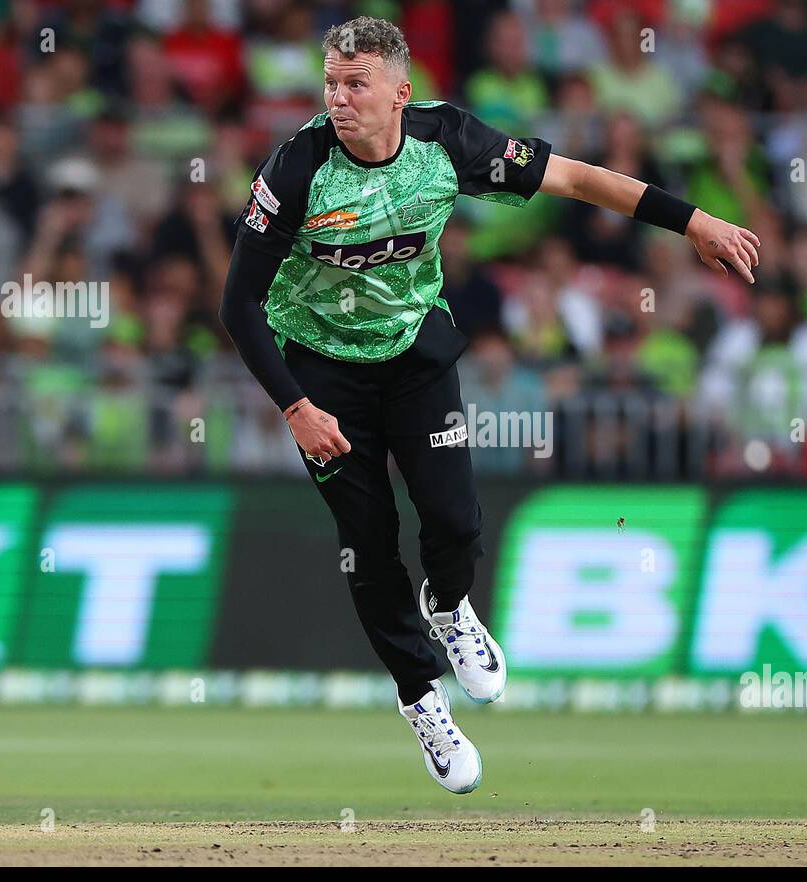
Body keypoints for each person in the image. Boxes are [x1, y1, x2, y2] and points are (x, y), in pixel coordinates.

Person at [217, 15, 759, 794]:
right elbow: (239, 306)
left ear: (400, 93)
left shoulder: (450, 142)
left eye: (356, 84)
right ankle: (421, 701)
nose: (339, 98)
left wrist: (695, 220)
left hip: (413, 356)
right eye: (331, 83)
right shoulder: (298, 168)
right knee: (368, 546)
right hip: (321, 374)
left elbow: (576, 178)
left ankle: (450, 605)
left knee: (457, 521)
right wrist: (295, 406)